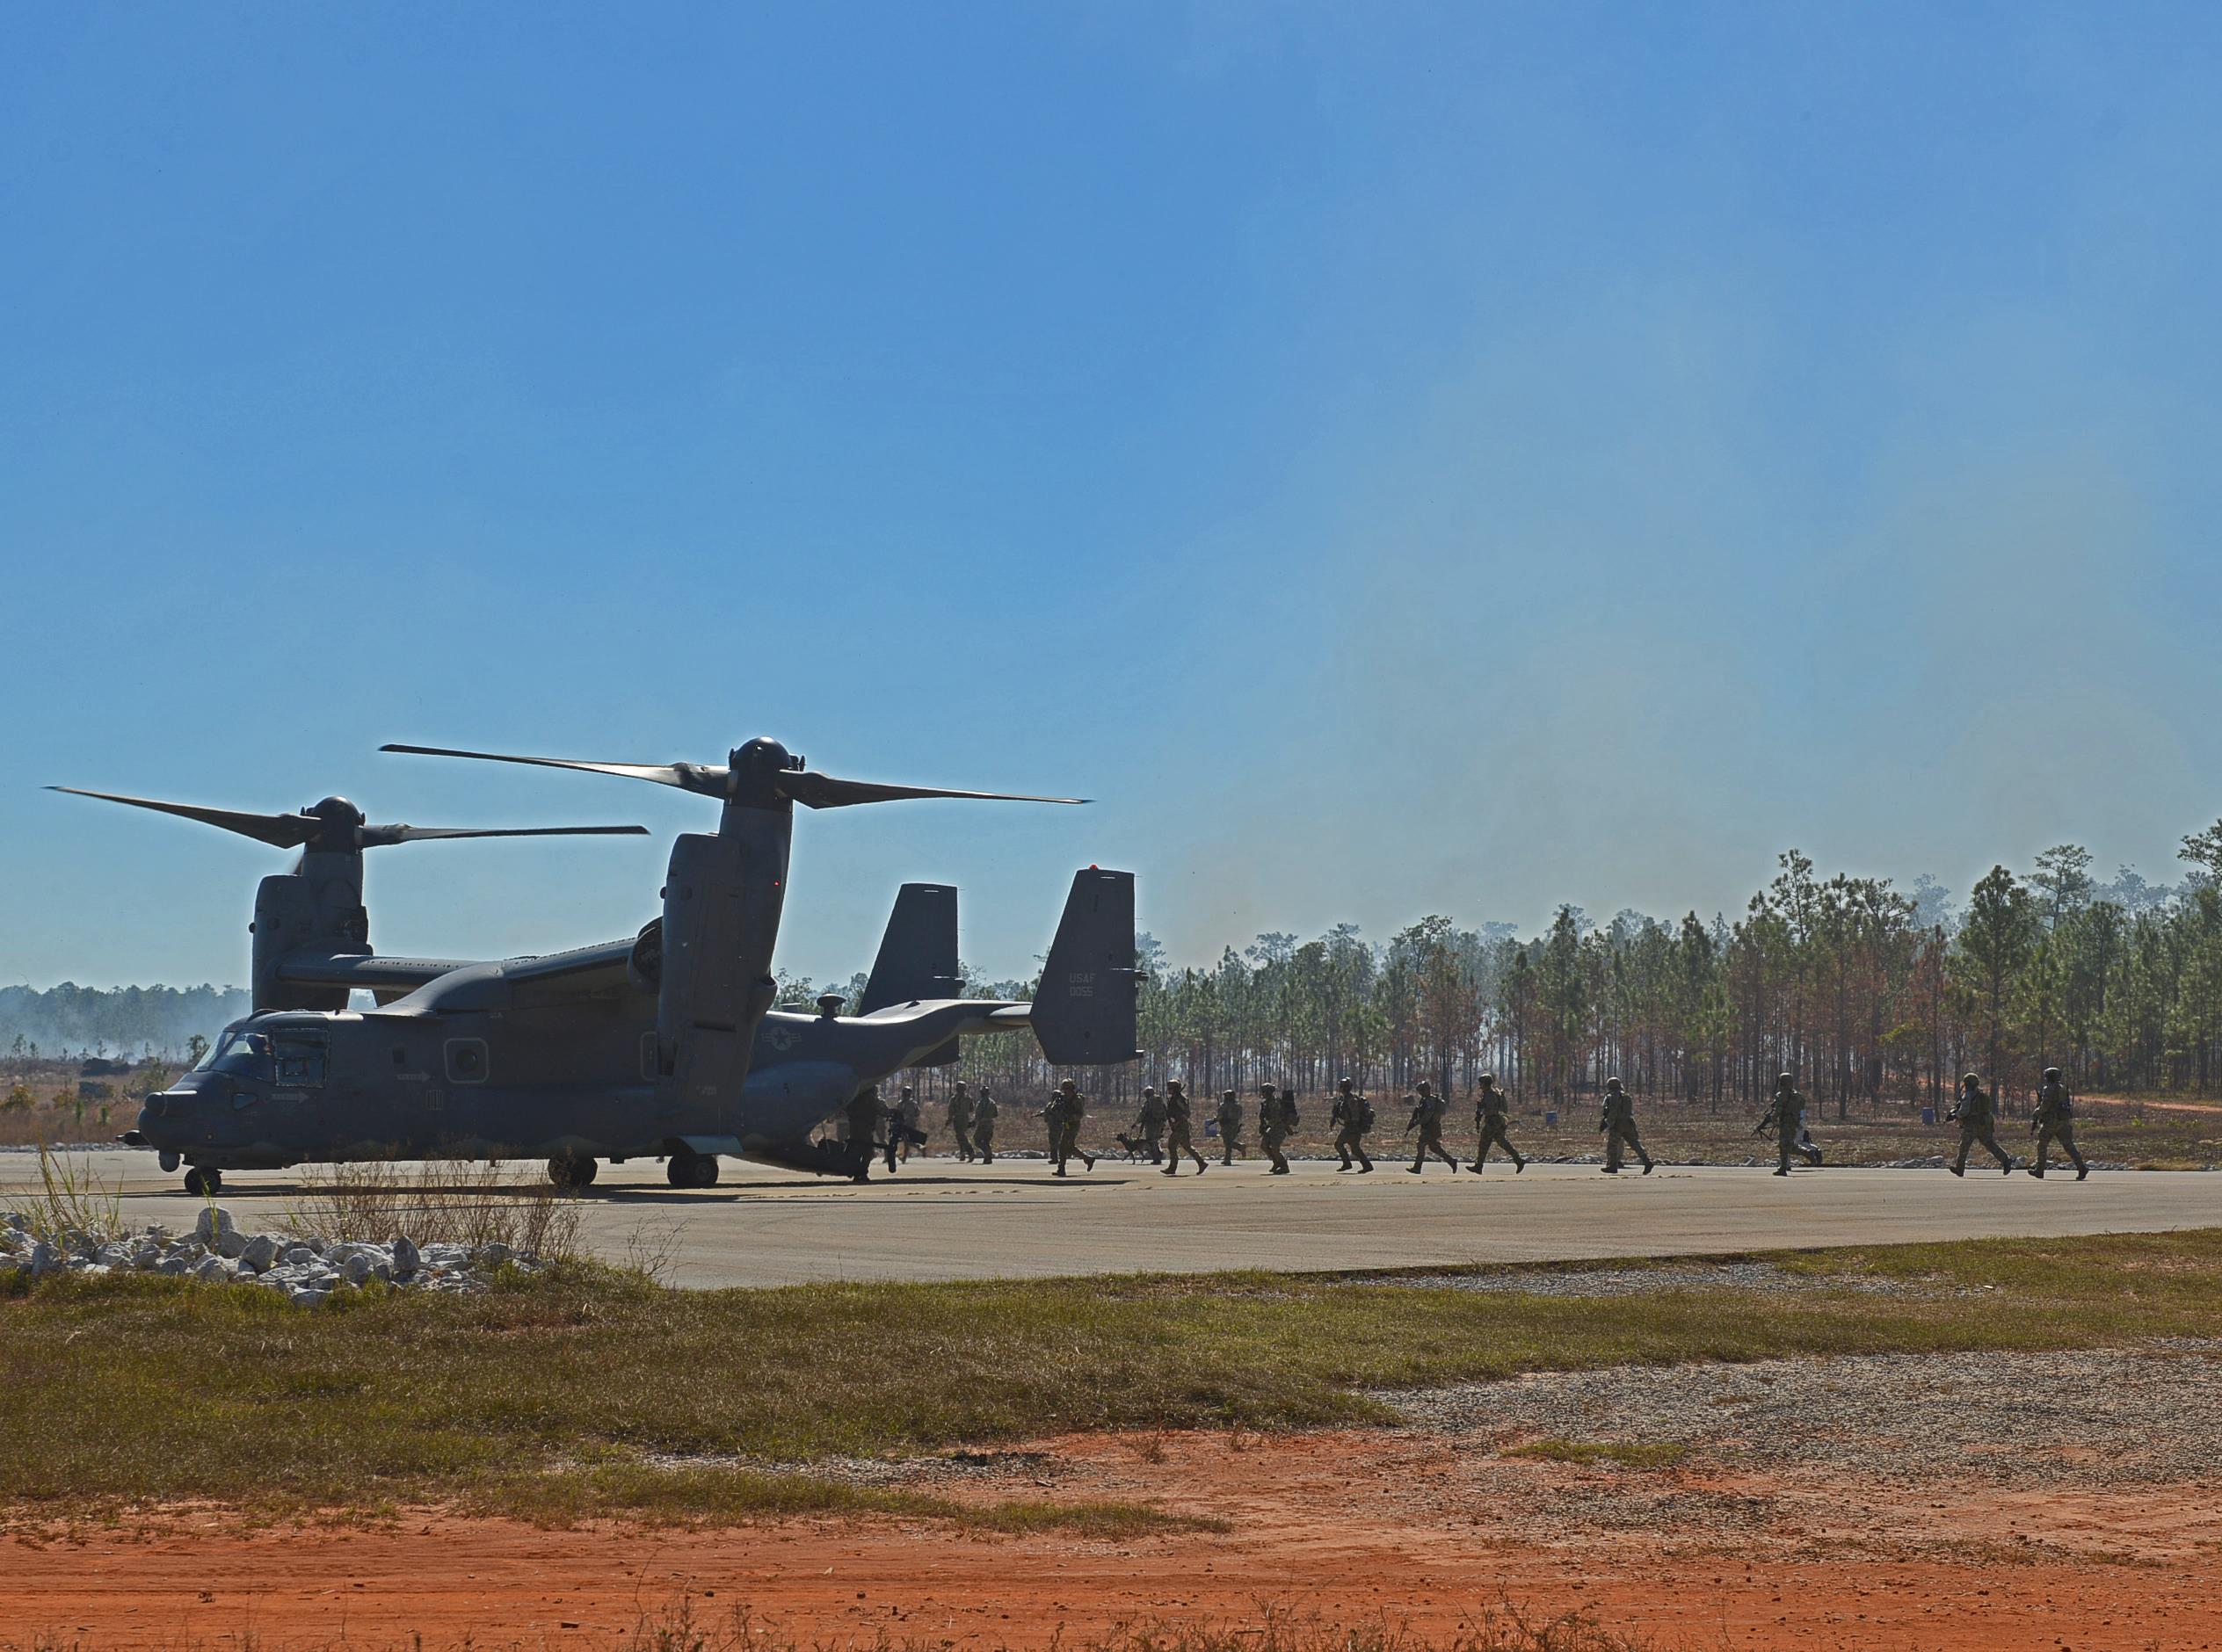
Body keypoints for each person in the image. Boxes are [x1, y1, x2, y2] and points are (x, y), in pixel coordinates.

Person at [1946, 1072, 2014, 1177]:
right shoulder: (1980, 1095)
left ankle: (1960, 1169)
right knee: (1990, 1144)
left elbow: (1964, 1111)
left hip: (1972, 1124)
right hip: (1984, 1123)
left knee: (1964, 1146)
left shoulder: (1968, 1095)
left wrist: (1954, 1115)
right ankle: (2006, 1160)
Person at [2029, 1066, 2088, 1180]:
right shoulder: (2063, 1089)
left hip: (2051, 1121)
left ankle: (2040, 1170)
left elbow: (2045, 1105)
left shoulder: (2048, 1089)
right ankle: (2081, 1167)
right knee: (2069, 1146)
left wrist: (2036, 1112)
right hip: (2063, 1121)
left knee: (2042, 1145)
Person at [1764, 1073, 1822, 1175]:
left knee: (1787, 1145)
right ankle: (1783, 1168)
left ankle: (1807, 1152)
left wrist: (1773, 1119)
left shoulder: (1781, 1095)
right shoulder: (1798, 1096)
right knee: (1783, 1145)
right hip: (1794, 1123)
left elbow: (1778, 1110)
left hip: (1785, 1123)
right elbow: (1801, 1107)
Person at [1469, 1073, 1526, 1174]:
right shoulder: (1493, 1092)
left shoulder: (1490, 1094)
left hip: (1493, 1121)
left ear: (1485, 1084)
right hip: (1497, 1121)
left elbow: (1491, 1109)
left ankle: (1479, 1166)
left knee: (1484, 1143)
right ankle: (1518, 1160)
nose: (1480, 1085)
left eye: (1481, 1083)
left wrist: (1481, 1111)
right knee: (1502, 1142)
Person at [1598, 1077, 1654, 1175]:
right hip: (1628, 1122)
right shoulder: (1626, 1096)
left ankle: (1613, 1166)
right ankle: (1647, 1161)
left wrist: (1608, 1123)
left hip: (1617, 1124)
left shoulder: (1612, 1096)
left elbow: (1612, 1111)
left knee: (1612, 1145)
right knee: (1635, 1144)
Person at [1045, 1077, 1097, 1177]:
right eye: (1064, 1089)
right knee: (1069, 1147)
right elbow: (1054, 1108)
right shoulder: (1063, 1098)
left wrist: (1069, 1117)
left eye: (1067, 1089)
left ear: (1071, 1089)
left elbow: (1080, 1114)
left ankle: (1062, 1169)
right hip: (1066, 1124)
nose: (1065, 1091)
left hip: (1073, 1125)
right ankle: (1088, 1159)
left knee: (1063, 1146)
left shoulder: (1076, 1100)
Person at [1406, 1080, 1459, 1174]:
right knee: (1434, 1147)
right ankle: (1451, 1161)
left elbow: (1427, 1116)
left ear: (1427, 1090)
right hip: (1431, 1127)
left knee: (1421, 1144)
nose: (1421, 1093)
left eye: (1422, 1091)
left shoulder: (1430, 1101)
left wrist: (1417, 1122)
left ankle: (1417, 1168)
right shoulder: (1426, 1100)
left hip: (1430, 1127)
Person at [1161, 1078, 1209, 1176]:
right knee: (1187, 1147)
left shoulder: (1179, 1099)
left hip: (1181, 1126)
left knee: (1172, 1145)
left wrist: (1177, 1123)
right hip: (1179, 1125)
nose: (1169, 1089)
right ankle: (1201, 1163)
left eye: (1171, 1088)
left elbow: (1186, 1113)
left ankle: (1172, 1167)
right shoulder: (1174, 1098)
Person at [1330, 1076, 1375, 1173]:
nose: (1339, 1088)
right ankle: (1367, 1165)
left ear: (1344, 1088)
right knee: (1355, 1149)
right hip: (1350, 1126)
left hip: (1352, 1127)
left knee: (1338, 1144)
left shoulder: (1351, 1100)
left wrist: (1354, 1126)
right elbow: (1339, 1113)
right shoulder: (1344, 1099)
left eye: (1341, 1086)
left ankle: (1347, 1164)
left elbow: (1355, 1114)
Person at [843, 1084, 882, 1183]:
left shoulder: (854, 1098)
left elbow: (846, 1109)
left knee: (856, 1150)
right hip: (865, 1128)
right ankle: (862, 1173)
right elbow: (880, 1109)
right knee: (867, 1152)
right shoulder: (870, 1099)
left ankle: (855, 1173)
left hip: (854, 1128)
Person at [1258, 1083, 1292, 1174]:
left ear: (1269, 1092)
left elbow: (1277, 1117)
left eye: (1264, 1092)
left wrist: (1268, 1125)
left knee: (1275, 1148)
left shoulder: (1275, 1102)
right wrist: (1263, 1125)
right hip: (1271, 1127)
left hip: (1279, 1127)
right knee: (1264, 1145)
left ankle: (1284, 1166)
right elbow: (1264, 1117)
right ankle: (1276, 1162)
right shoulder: (1265, 1103)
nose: (1262, 1093)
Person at [1133, 1086, 1169, 1164]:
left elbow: (1143, 1114)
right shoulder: (1160, 1101)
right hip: (1160, 1124)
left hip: (1151, 1124)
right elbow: (1165, 1112)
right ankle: (1159, 1154)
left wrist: (1136, 1123)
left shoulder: (1149, 1102)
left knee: (1151, 1141)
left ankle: (1157, 1158)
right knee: (1155, 1140)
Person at [947, 1082, 977, 1163]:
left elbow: (951, 1110)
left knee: (961, 1136)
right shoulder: (968, 1098)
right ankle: (962, 1153)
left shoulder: (954, 1098)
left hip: (958, 1119)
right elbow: (972, 1109)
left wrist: (949, 1119)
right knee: (960, 1136)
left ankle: (970, 1152)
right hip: (965, 1118)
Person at [894, 1083, 924, 1163]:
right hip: (912, 1123)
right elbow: (918, 1113)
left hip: (904, 1124)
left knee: (906, 1140)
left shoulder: (901, 1103)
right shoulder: (914, 1103)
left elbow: (898, 1113)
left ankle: (919, 1147)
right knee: (906, 1140)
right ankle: (904, 1158)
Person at [1216, 1089, 1245, 1164]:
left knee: (1227, 1142)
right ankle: (1228, 1158)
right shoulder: (1238, 1105)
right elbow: (1240, 1115)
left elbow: (1220, 1116)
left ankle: (1237, 1149)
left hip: (1226, 1125)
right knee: (1228, 1142)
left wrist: (1215, 1120)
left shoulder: (1224, 1106)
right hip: (1235, 1125)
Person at [973, 1087, 998, 1164]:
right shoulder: (992, 1102)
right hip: (990, 1124)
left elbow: (978, 1114)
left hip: (983, 1124)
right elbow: (996, 1114)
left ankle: (987, 1153)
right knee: (986, 1141)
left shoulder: (981, 1103)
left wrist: (975, 1121)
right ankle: (988, 1158)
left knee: (977, 1140)